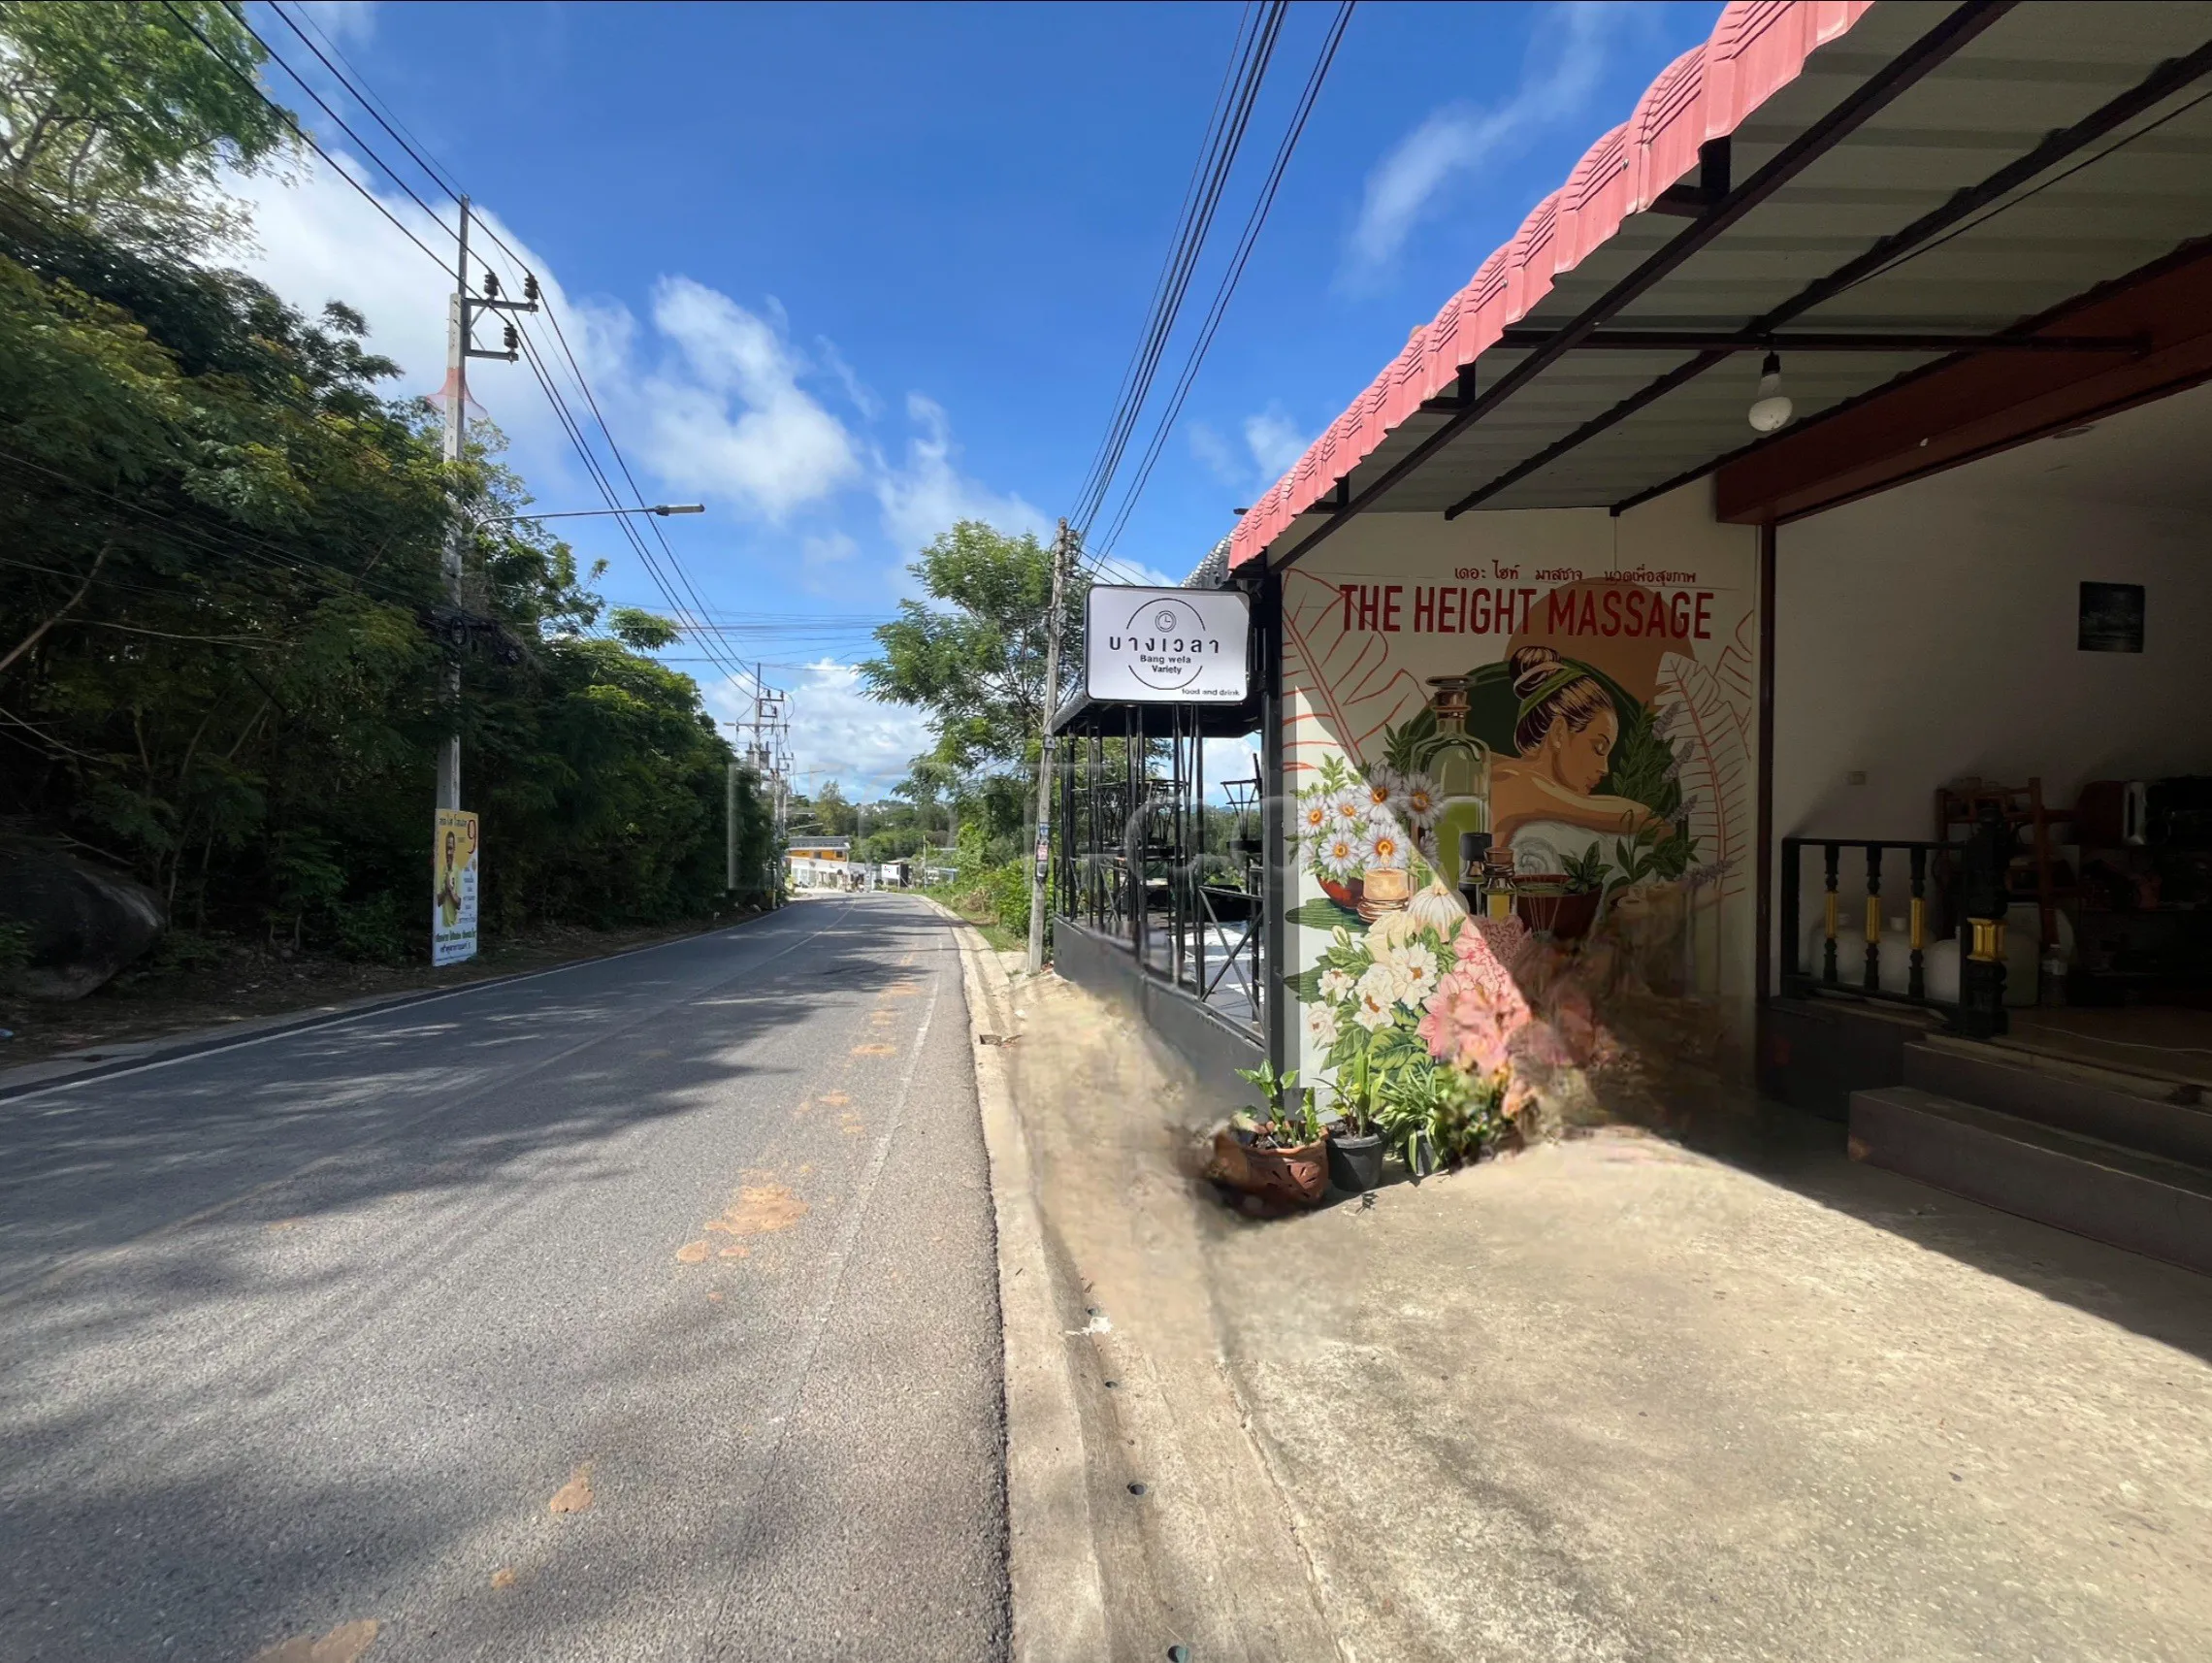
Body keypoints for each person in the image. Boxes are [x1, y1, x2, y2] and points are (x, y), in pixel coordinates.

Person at [1487, 645, 1665, 857]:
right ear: (1559, 733)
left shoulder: (1513, 776)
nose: (1605, 768)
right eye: (1598, 748)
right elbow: (1647, 819)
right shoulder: (1514, 782)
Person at [436, 830, 464, 929]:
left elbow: (459, 904)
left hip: (454, 925)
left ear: (455, 849)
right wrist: (445, 891)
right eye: (447, 848)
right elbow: (438, 902)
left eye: (451, 848)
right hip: (442, 925)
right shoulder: (441, 870)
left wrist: (450, 890)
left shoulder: (457, 870)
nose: (448, 852)